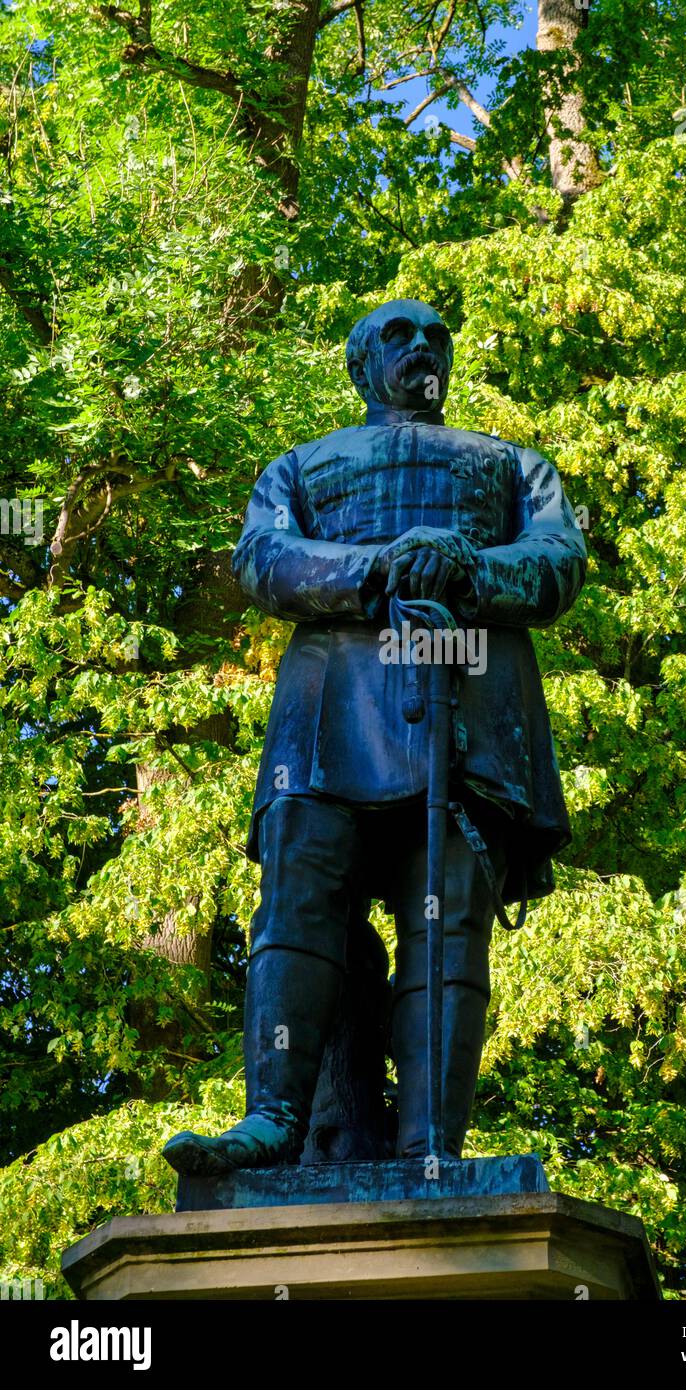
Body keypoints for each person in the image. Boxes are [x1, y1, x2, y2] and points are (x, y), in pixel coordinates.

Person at [163, 299, 586, 1176]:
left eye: (437, 336)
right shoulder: (302, 467)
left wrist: (469, 566)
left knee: (449, 914)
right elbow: (264, 560)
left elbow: (558, 562)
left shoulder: (511, 464)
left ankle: (433, 1142)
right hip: (330, 710)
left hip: (469, 705)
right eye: (399, 335)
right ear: (360, 366)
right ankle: (274, 1113)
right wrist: (377, 567)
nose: (423, 347)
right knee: (299, 896)